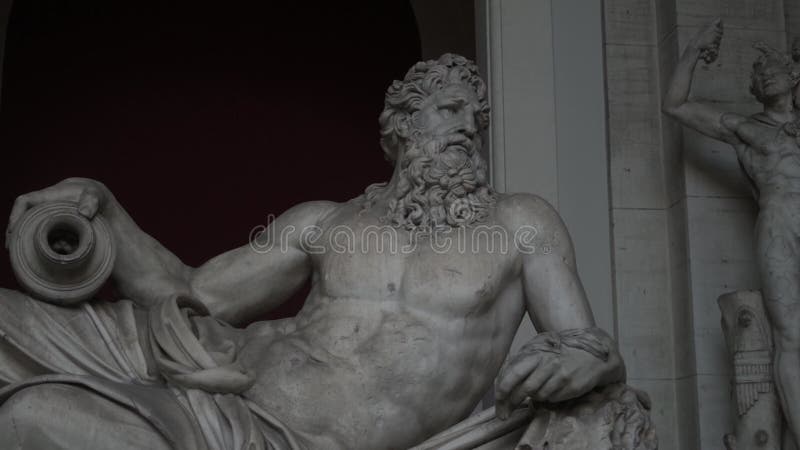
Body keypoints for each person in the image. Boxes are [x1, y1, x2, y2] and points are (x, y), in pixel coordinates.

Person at [0, 54, 624, 450]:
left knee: (32, 413)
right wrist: (105, 208)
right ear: (404, 125)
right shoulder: (325, 222)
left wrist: (588, 364)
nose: (468, 127)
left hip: (294, 441)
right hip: (219, 384)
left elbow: (588, 347)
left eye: (477, 119)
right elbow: (192, 293)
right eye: (451, 109)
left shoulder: (519, 222)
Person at [662, 19, 800, 446]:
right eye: (758, 72)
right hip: (780, 222)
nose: (764, 72)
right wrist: (694, 52)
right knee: (790, 335)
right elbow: (676, 105)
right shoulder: (747, 129)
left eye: (773, 65)